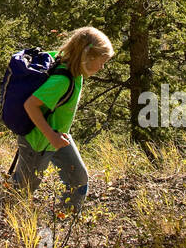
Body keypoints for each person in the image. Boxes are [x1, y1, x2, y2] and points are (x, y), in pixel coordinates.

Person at [11, 26, 113, 215]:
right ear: (88, 57)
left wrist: (55, 138)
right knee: (21, 193)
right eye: (102, 61)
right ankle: (0, 225)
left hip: (57, 138)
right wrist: (51, 136)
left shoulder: (75, 72)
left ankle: (64, 221)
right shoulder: (63, 80)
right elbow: (30, 105)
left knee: (78, 180)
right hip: (38, 143)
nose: (102, 67)